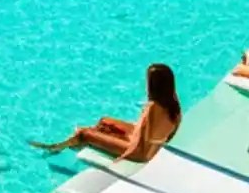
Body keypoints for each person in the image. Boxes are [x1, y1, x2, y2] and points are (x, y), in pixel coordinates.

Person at [29, 63, 181, 163]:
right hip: (150, 147)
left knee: (85, 133)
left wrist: (121, 160)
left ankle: (56, 147)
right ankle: (83, 141)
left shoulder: (152, 108)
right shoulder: (174, 105)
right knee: (105, 121)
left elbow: (138, 145)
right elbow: (168, 135)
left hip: (139, 152)